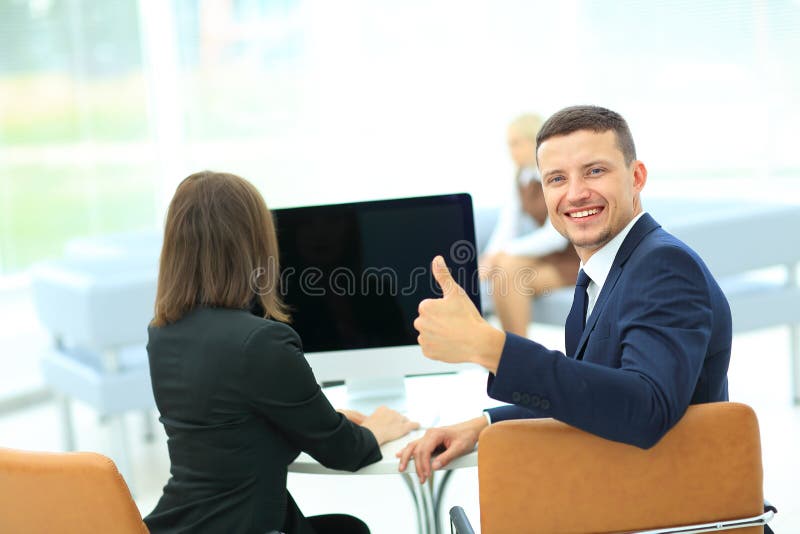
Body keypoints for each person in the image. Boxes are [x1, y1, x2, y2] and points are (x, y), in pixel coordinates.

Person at [398, 105, 732, 485]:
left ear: (636, 177)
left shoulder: (663, 266)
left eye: (595, 171)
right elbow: (591, 397)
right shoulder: (603, 273)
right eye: (557, 179)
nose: (575, 194)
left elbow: (645, 410)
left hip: (674, 508)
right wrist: (484, 422)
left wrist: (491, 347)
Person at [145, 171, 419, 534]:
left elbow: (227, 434)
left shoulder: (162, 332)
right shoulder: (261, 341)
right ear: (254, 243)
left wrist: (317, 417)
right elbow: (345, 452)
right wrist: (377, 428)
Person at [481, 113, 579, 336]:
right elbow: (508, 225)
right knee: (504, 270)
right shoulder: (521, 176)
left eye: (515, 143)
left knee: (509, 271)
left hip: (574, 257)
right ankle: (513, 352)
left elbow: (556, 235)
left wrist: (503, 253)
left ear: (533, 142)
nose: (510, 151)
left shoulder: (555, 175)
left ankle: (519, 356)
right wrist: (490, 256)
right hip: (552, 256)